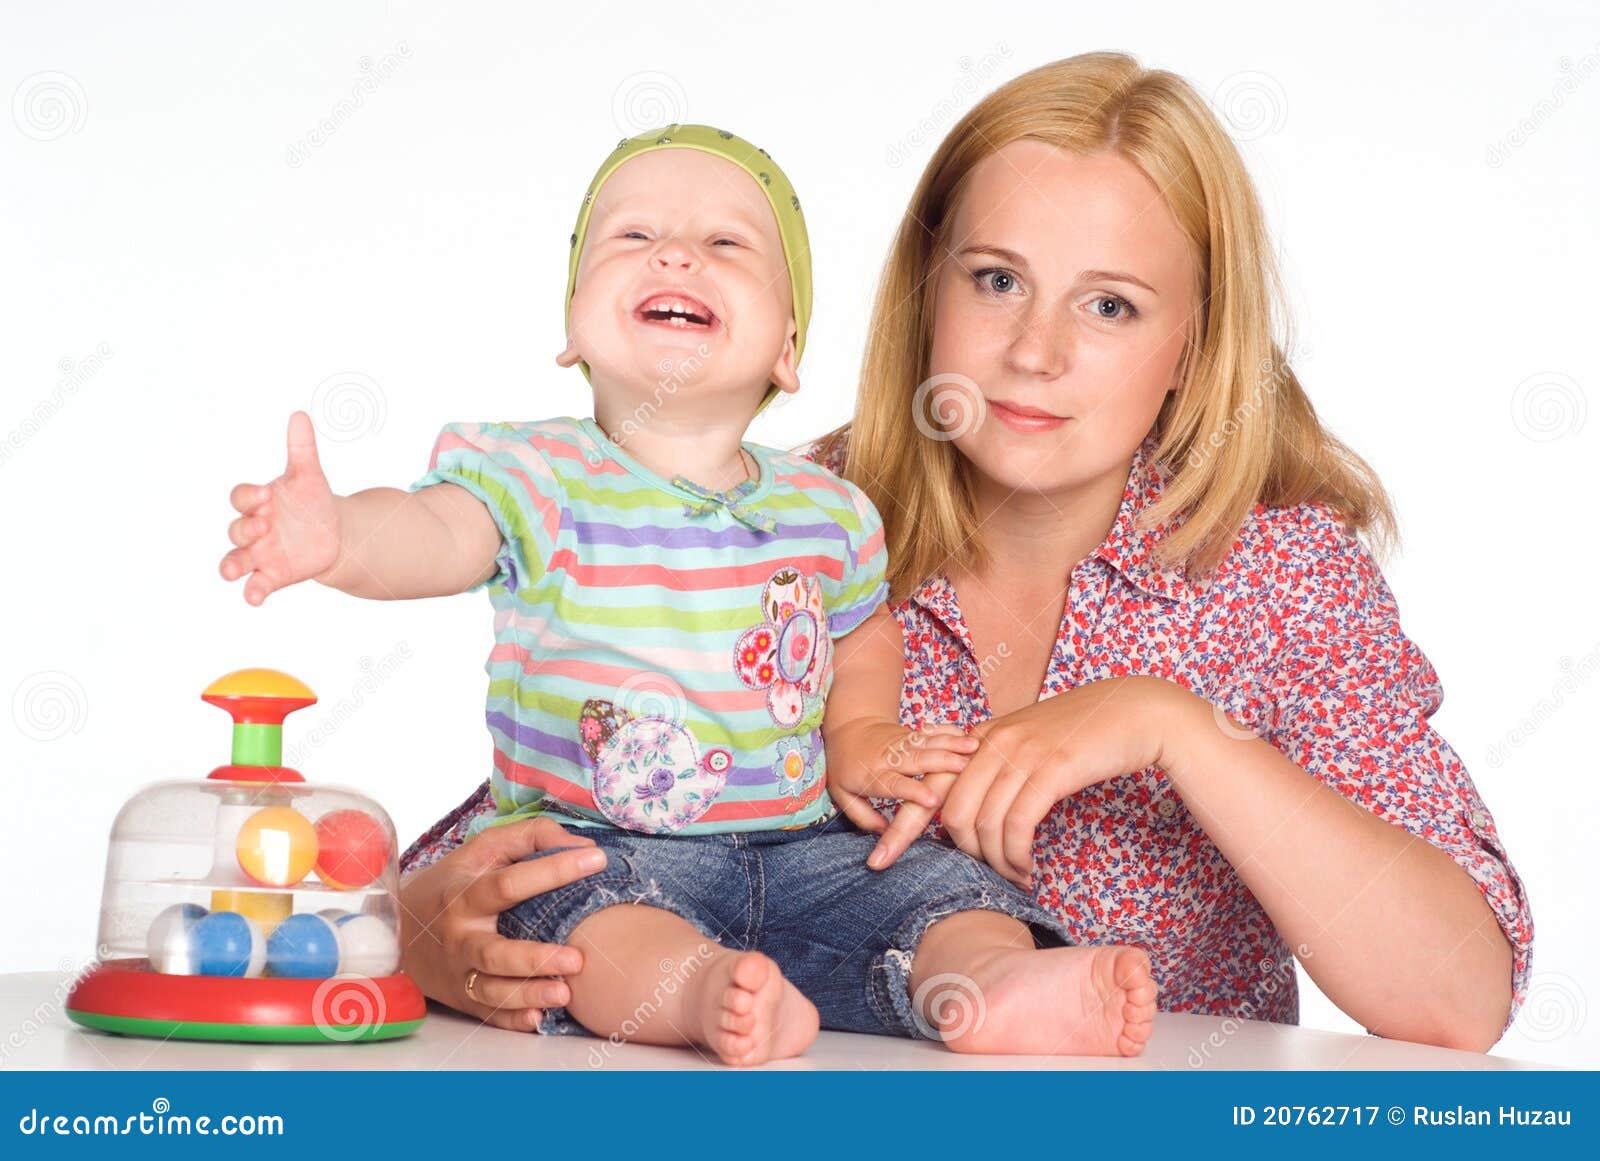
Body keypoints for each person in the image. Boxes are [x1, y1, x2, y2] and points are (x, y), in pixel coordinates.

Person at [391, 54, 1532, 1055]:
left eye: (1112, 307)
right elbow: (532, 834)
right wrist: (423, 938)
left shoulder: (1277, 573)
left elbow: (1455, 1001)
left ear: (1192, 344)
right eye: (996, 281)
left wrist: (1168, 724)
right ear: (926, 293)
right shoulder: (785, 519)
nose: (1035, 352)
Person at [219, 124, 1158, 1066]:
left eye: (726, 244)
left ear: (787, 349)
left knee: (938, 887)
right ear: (574, 324)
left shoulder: (828, 508)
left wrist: (862, 737)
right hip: (605, 843)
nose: (676, 253)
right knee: (579, 923)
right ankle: (705, 993)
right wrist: (339, 535)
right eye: (633, 237)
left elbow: (863, 632)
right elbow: (437, 536)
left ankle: (992, 985)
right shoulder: (535, 474)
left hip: (810, 846)